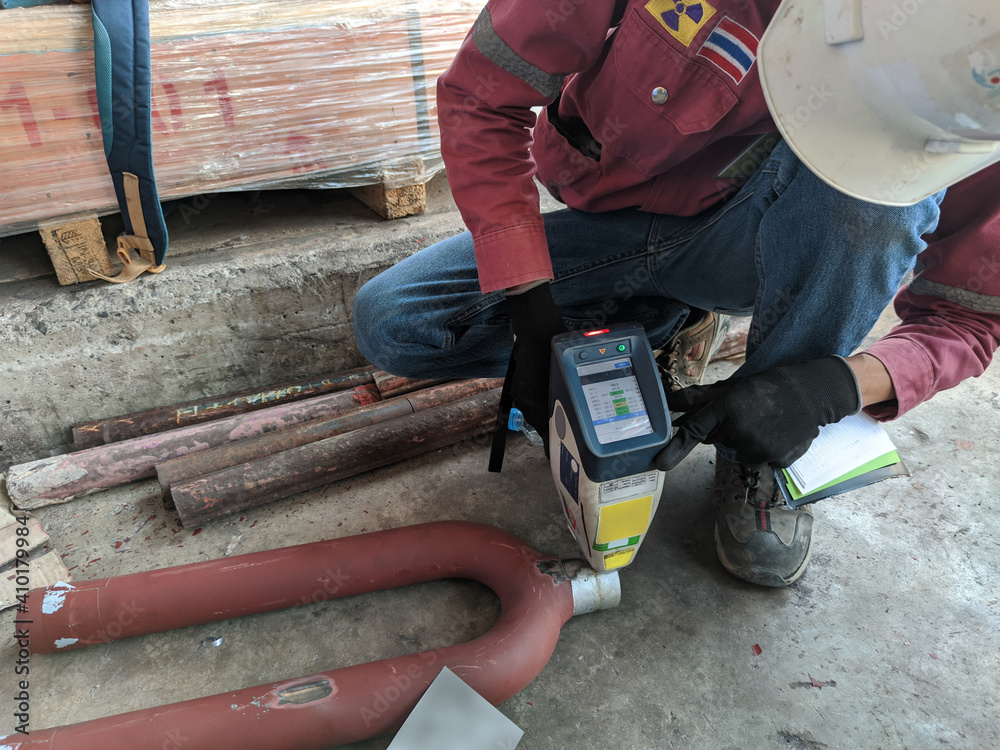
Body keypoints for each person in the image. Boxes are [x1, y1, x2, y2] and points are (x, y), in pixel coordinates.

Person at [353, 0, 1000, 586]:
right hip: (618, 220)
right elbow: (480, 96)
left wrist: (827, 388)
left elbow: (967, 320)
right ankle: (661, 323)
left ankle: (760, 449)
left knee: (876, 207)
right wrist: (529, 306)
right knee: (396, 322)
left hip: (751, 245)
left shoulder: (976, 94)